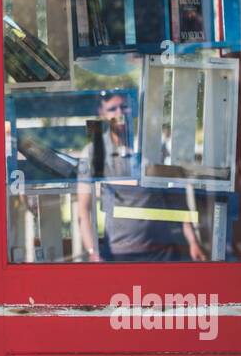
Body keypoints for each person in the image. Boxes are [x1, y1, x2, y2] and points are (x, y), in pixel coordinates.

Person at [76, 91, 207, 262]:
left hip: (162, 252)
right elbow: (84, 210)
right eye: (112, 109)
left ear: (133, 110)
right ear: (102, 113)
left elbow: (177, 201)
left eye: (124, 107)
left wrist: (192, 241)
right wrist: (93, 251)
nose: (119, 113)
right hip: (119, 253)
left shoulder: (151, 147)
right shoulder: (94, 152)